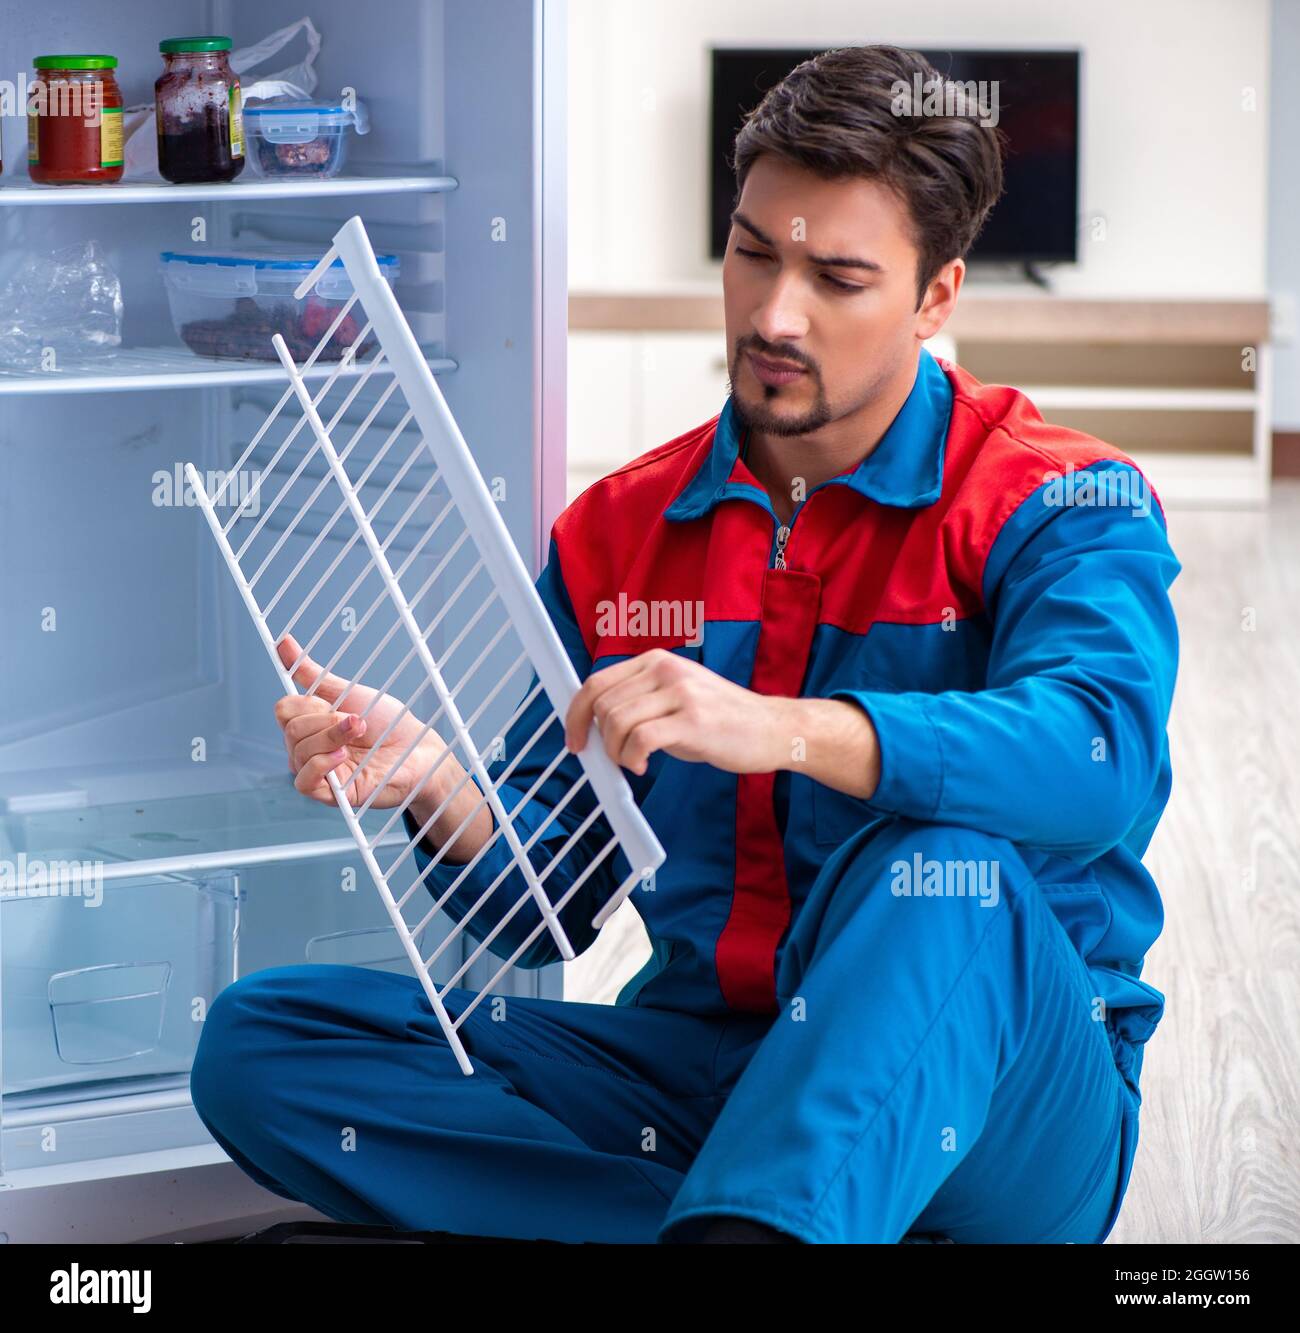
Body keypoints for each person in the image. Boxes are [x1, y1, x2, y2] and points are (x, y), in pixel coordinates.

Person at [190, 43, 1180, 1244]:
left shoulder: (1063, 501)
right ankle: (740, 1226)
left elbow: (1097, 754)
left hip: (999, 1107)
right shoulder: (617, 532)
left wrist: (786, 730)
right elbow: (543, 908)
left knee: (945, 872)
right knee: (268, 1042)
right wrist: (436, 787)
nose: (772, 313)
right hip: (697, 1070)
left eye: (838, 278)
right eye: (753, 251)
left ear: (936, 297)